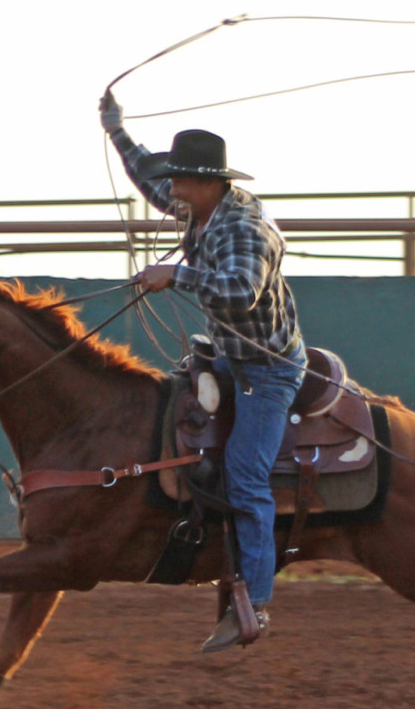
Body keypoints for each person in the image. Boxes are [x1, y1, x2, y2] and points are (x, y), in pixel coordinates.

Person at [100, 92, 306, 651]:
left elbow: (242, 293)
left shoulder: (242, 230)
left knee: (245, 475)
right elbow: (148, 176)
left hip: (267, 370)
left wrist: (178, 277)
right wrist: (116, 128)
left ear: (209, 184)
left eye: (182, 182)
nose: (172, 191)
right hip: (228, 358)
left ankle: (255, 604)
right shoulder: (203, 206)